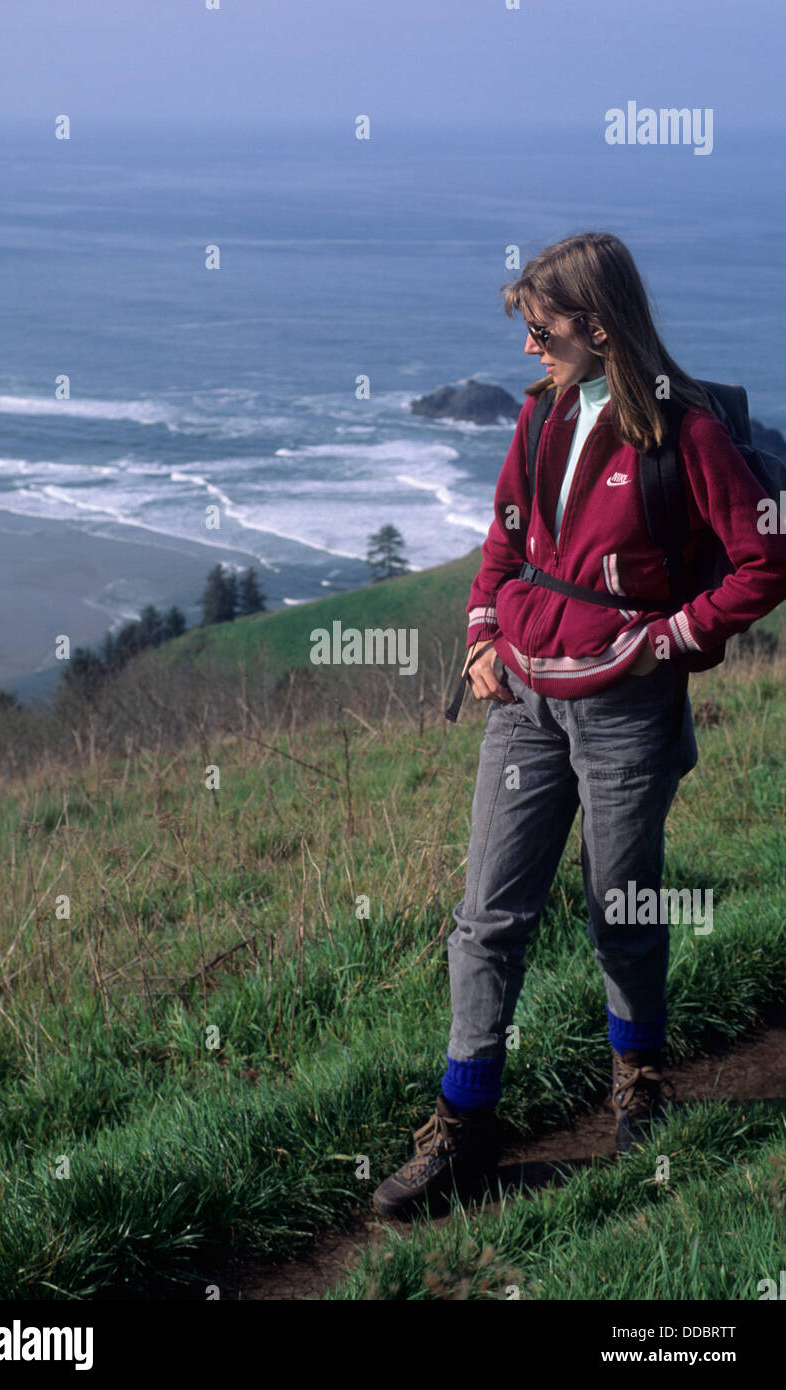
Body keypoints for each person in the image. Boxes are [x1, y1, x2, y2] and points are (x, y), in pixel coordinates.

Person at [373, 231, 786, 1219]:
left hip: (626, 710)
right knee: (487, 918)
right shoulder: (541, 416)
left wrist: (670, 639)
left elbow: (762, 560)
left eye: (539, 328)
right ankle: (464, 1128)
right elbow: (504, 533)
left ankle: (637, 1085)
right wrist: (479, 630)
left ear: (598, 328)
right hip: (522, 698)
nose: (527, 347)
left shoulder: (684, 438)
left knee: (623, 908)